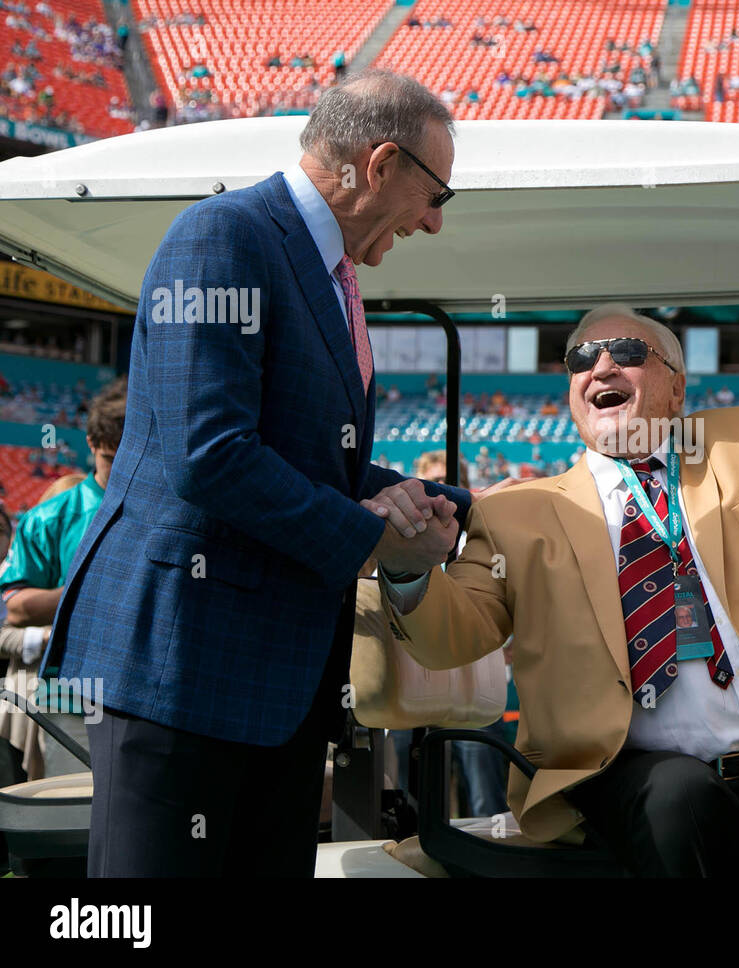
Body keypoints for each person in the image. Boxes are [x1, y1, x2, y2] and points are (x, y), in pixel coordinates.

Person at [45, 69, 473, 878]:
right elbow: (211, 455)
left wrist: (453, 506)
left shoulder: (325, 271)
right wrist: (374, 536)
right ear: (380, 165)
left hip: (270, 685)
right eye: (436, 195)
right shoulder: (224, 236)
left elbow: (319, 458)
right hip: (184, 665)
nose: (433, 223)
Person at [374, 304, 739, 876]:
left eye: (629, 352)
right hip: (630, 779)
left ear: (677, 389)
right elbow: (452, 637)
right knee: (679, 794)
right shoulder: (520, 512)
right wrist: (411, 568)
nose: (602, 365)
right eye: (582, 357)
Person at [2, 381, 124, 778]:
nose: (122, 467)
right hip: (70, 695)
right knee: (76, 820)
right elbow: (16, 607)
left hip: (148, 699)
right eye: (110, 456)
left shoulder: (171, 511)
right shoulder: (50, 517)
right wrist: (93, 590)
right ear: (91, 443)